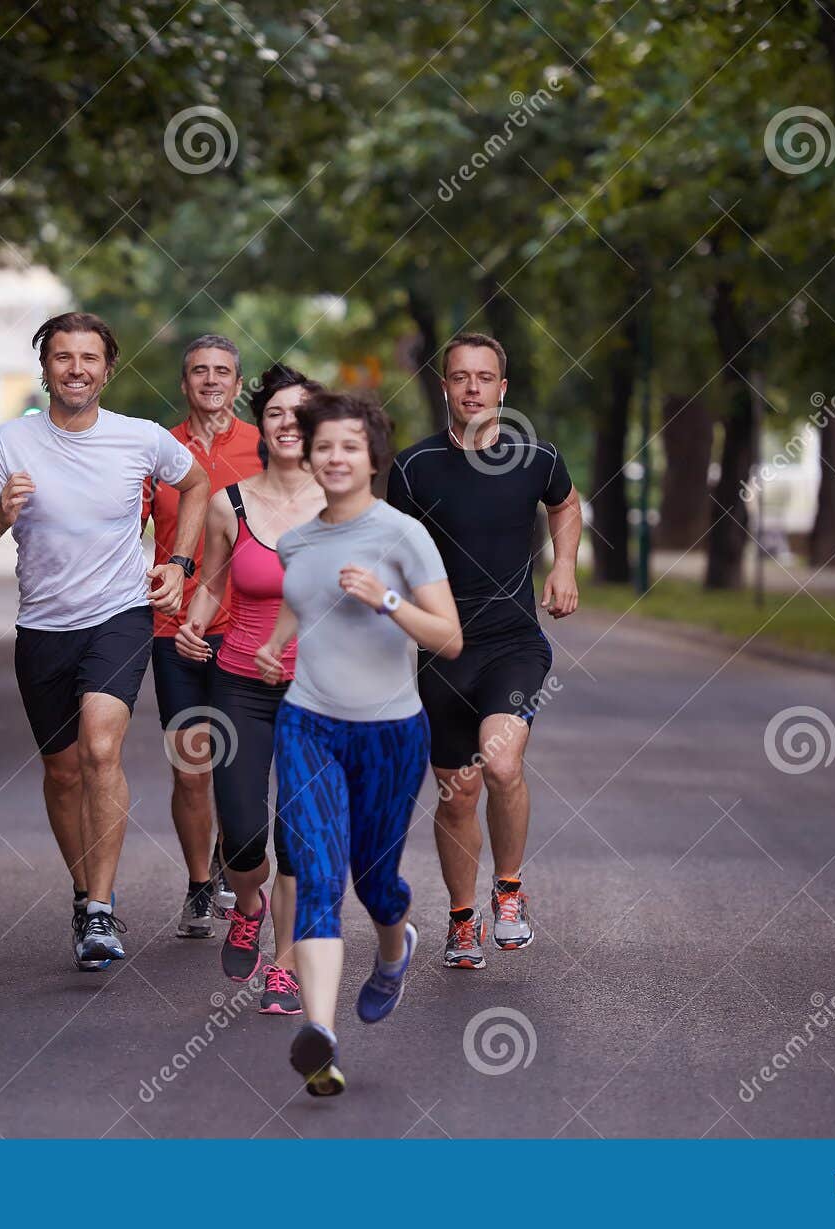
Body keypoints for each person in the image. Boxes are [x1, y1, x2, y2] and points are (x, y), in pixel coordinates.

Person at [0, 311, 209, 970]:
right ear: (45, 369)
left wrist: (179, 563)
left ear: (107, 367)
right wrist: (1, 515)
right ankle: (81, 889)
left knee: (101, 746)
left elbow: (198, 483)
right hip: (42, 625)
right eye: (63, 357)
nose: (76, 368)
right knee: (62, 771)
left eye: (88, 357)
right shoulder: (11, 442)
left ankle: (100, 909)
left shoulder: (141, 438)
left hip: (119, 615)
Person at [256, 391, 462, 1096]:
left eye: (349, 445)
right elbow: (300, 595)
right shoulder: (297, 541)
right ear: (308, 456)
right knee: (316, 876)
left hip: (390, 734)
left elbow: (450, 636)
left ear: (373, 456)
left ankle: (394, 945)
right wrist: (277, 643)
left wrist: (389, 601)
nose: (335, 457)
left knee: (376, 885)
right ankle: (321, 1035)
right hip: (307, 723)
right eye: (323, 446)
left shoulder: (401, 536)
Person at [386, 332, 581, 969]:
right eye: (460, 377)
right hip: (443, 652)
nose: (472, 388)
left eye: (484, 376)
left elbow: (566, 504)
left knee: (500, 766)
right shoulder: (414, 469)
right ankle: (462, 920)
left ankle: (511, 891)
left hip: (513, 644)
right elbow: (392, 552)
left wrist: (564, 567)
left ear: (504, 387)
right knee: (458, 793)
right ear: (444, 387)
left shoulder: (536, 457)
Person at [176, 364, 326, 1014]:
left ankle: (285, 965)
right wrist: (192, 622)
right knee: (242, 834)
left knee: (296, 834)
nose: (288, 424)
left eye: (302, 414)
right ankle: (247, 903)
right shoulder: (227, 502)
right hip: (240, 682)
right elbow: (211, 583)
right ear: (259, 423)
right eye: (276, 413)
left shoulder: (345, 504)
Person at [143, 334, 263, 938]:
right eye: (198, 371)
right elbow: (121, 529)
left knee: (239, 766)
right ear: (183, 383)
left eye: (222, 372)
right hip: (174, 629)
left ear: (239, 385)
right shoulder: (159, 450)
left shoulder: (266, 449)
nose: (210, 380)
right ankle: (198, 883)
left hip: (249, 634)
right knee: (191, 767)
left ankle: (230, 855)